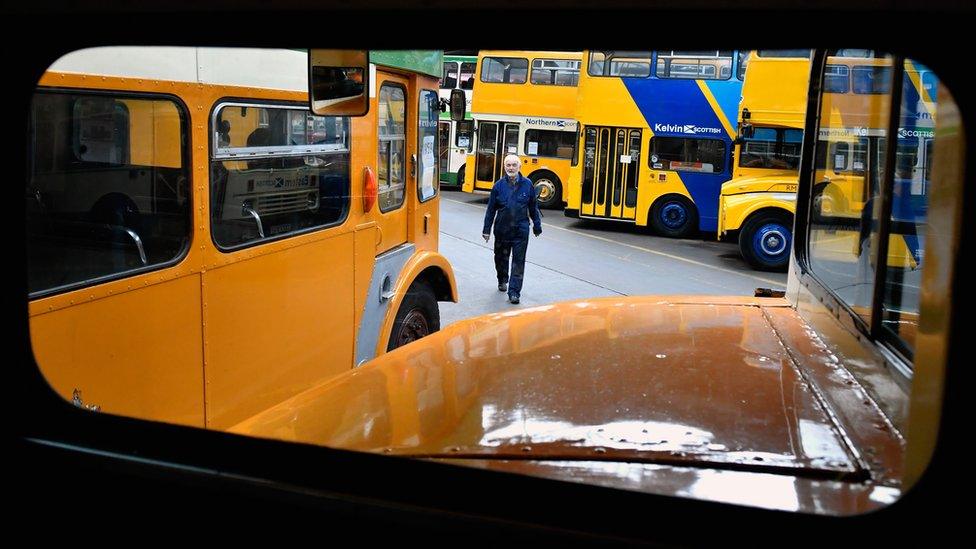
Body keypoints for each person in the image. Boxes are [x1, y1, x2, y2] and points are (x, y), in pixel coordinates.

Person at [482, 154, 542, 304]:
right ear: (504, 167)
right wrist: (486, 230)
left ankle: (514, 292)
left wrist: (537, 225)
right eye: (508, 165)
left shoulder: (528, 185)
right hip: (502, 230)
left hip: (521, 230)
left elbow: (533, 207)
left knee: (518, 261)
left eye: (514, 165)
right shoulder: (498, 186)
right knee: (500, 258)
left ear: (519, 167)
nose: (511, 168)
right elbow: (490, 210)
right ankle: (502, 278)